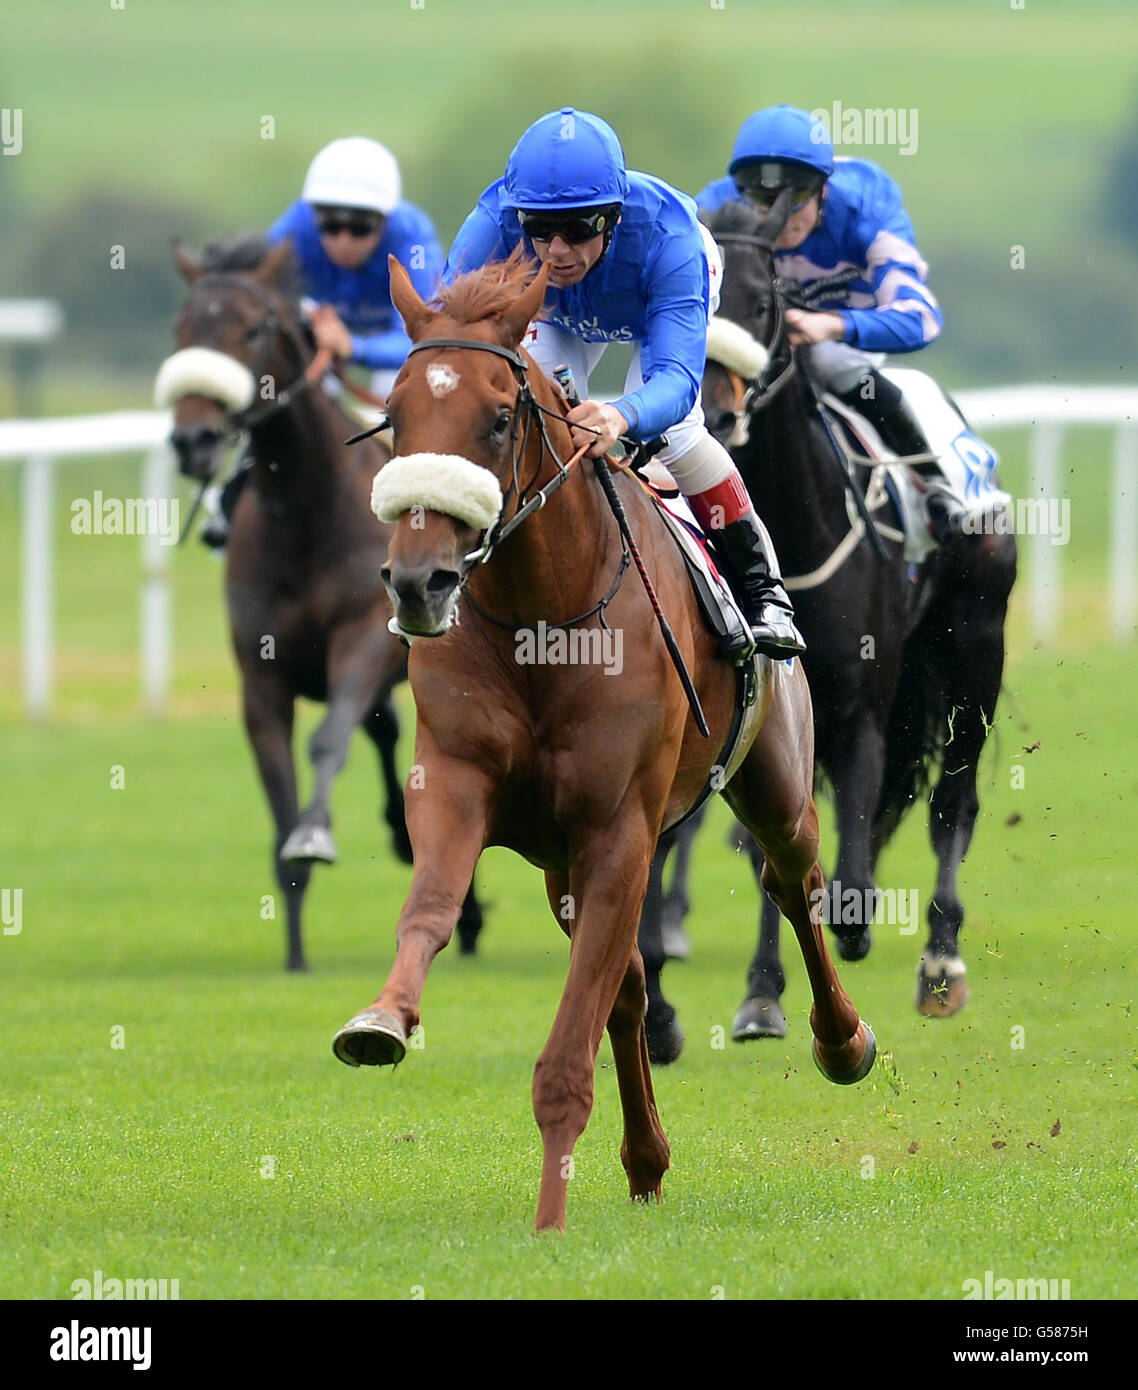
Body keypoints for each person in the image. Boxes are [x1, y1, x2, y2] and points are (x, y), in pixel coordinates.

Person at [443, 107, 804, 659]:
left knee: (676, 431)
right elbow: (449, 339)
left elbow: (678, 381)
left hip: (647, 299)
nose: (557, 251)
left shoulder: (672, 241)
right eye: (538, 230)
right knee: (548, 417)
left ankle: (764, 590)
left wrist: (621, 414)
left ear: (611, 217)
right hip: (555, 315)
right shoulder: (493, 226)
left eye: (578, 229)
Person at [697, 104, 1000, 543]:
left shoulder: (866, 209)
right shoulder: (714, 204)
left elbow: (923, 320)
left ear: (823, 188)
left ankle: (931, 483)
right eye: (762, 199)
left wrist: (831, 326)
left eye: (794, 198)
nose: (778, 215)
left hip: (842, 329)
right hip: (757, 336)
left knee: (832, 363)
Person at [201, 136, 443, 548]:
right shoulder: (294, 228)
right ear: (313, 218)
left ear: (385, 221)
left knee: (417, 404)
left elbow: (426, 337)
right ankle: (238, 489)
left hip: (392, 346)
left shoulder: (413, 237)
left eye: (360, 226)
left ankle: (428, 523)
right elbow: (255, 301)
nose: (343, 240)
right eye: (330, 225)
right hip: (321, 334)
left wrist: (354, 347)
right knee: (282, 391)